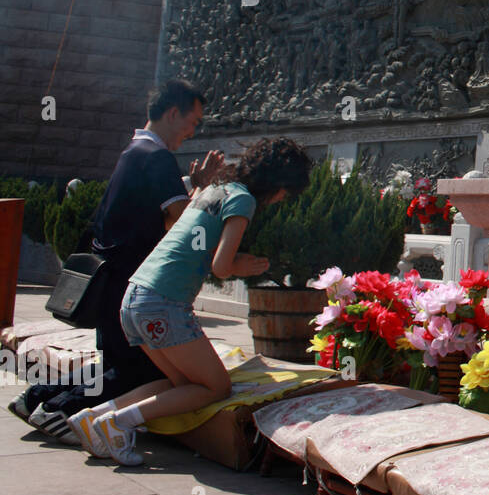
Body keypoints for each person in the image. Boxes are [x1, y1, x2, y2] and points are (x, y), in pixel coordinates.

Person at [68, 137, 311, 466]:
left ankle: (98, 414)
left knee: (181, 385)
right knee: (215, 387)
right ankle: (118, 422)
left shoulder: (216, 187)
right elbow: (221, 267)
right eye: (287, 191)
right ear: (279, 182)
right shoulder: (243, 201)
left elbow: (182, 234)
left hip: (135, 296)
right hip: (163, 305)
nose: (283, 199)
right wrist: (245, 265)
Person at [11, 80, 224, 442]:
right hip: (131, 283)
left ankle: (35, 396)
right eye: (193, 121)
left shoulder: (136, 151)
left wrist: (193, 182)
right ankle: (59, 411)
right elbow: (179, 220)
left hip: (112, 282)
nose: (192, 132)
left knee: (115, 365)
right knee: (137, 372)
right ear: (173, 114)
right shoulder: (157, 158)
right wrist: (209, 198)